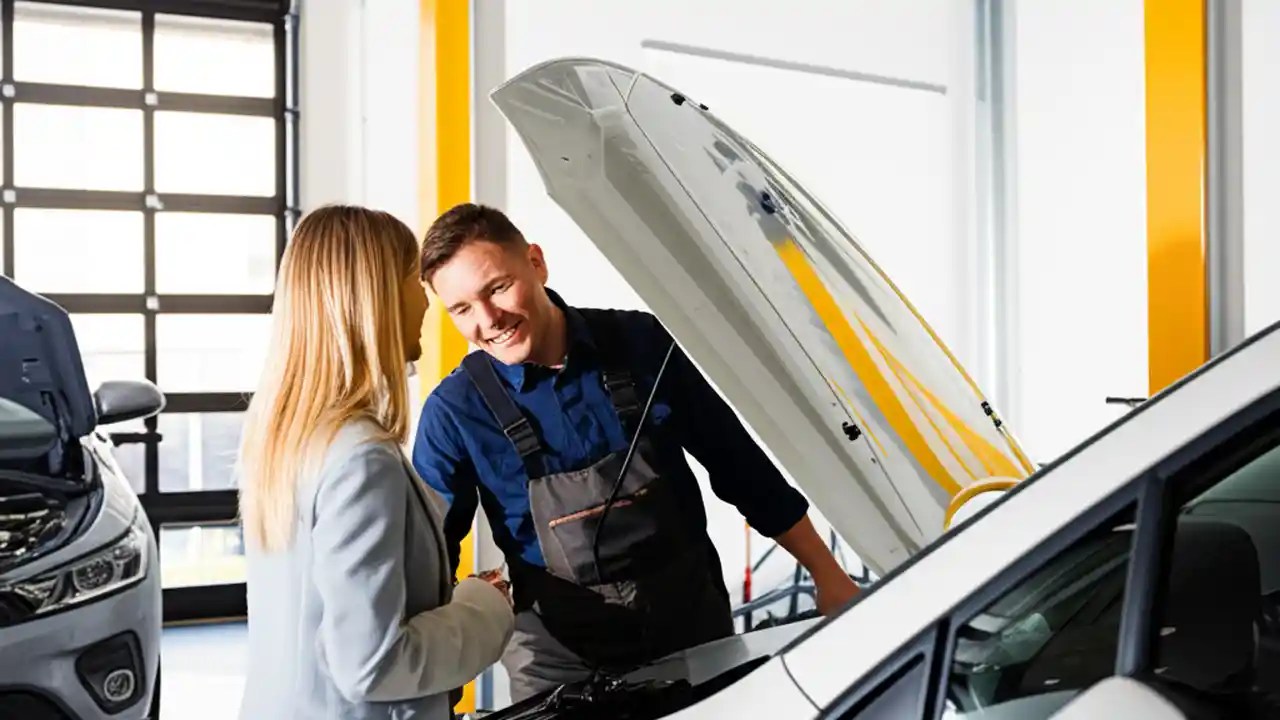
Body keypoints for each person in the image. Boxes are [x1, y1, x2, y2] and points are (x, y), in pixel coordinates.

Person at [412, 203, 861, 702]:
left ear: (536, 262)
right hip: (558, 662)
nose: (488, 319)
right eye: (462, 309)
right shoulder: (453, 413)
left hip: (691, 631)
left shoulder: (642, 344)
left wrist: (828, 574)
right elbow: (431, 563)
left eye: (497, 288)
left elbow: (740, 466)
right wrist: (438, 694)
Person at [237, 205, 515, 720]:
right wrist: (488, 604)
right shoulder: (361, 461)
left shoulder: (286, 440)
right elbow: (373, 663)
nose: (427, 303)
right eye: (415, 280)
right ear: (379, 298)